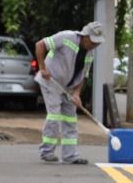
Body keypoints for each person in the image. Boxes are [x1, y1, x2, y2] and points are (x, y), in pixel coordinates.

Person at [34, 21, 103, 165]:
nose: (94, 45)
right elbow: (40, 45)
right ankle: (46, 152)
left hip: (69, 88)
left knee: (70, 119)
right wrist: (42, 68)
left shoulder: (90, 54)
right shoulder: (66, 37)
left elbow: (83, 76)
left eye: (97, 43)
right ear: (85, 35)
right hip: (51, 81)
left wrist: (77, 93)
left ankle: (70, 155)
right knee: (54, 116)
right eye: (92, 41)